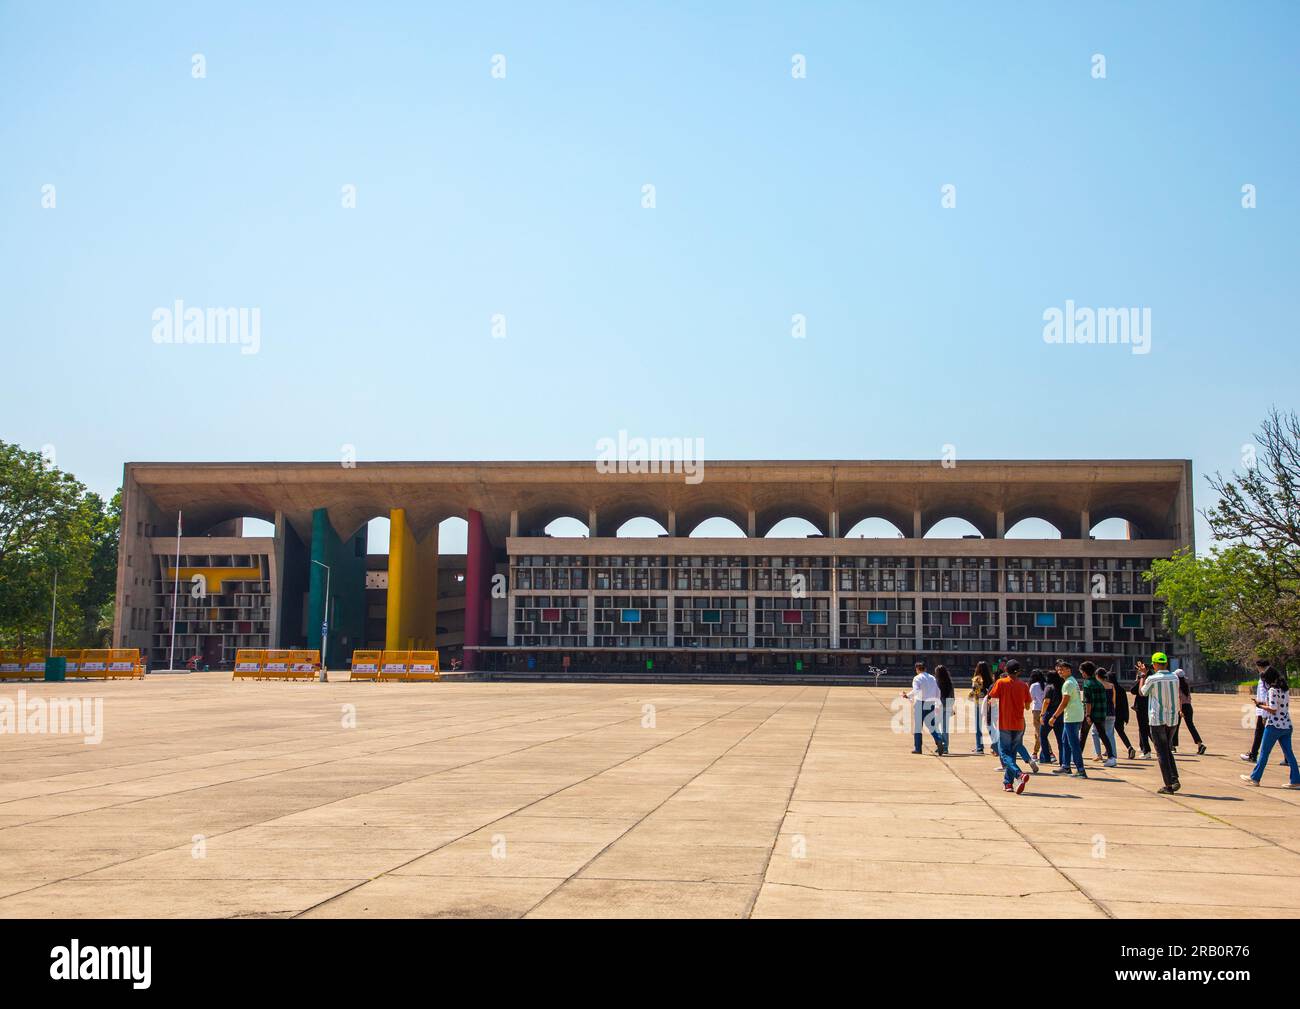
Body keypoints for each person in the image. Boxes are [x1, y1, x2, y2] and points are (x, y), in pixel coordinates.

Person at [1240, 667, 1300, 788]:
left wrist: (1260, 707)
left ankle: (1255, 778)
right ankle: (1296, 780)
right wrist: (1261, 703)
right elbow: (1278, 705)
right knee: (1289, 754)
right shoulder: (1285, 689)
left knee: (1264, 753)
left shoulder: (1272, 690)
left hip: (1274, 726)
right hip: (1286, 725)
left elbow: (1273, 709)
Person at [987, 659, 1033, 793]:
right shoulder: (1024, 685)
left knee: (1004, 753)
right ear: (1019, 672)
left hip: (1005, 723)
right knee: (1012, 754)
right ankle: (1008, 783)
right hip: (1019, 724)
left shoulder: (1001, 682)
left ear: (1006, 670)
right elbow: (1028, 706)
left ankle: (1019, 774)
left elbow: (992, 700)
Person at [1140, 651, 1182, 794]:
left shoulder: (1152, 679)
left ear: (1155, 664)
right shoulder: (1175, 677)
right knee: (1167, 749)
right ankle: (1174, 778)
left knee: (1161, 753)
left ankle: (1168, 785)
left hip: (1157, 719)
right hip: (1172, 720)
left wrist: (1142, 676)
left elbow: (1142, 692)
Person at [1048, 660, 1087, 778]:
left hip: (1072, 716)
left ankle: (1081, 770)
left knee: (1073, 743)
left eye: (1062, 669)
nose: (1060, 671)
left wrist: (1054, 716)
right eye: (1058, 669)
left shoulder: (1068, 683)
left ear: (1069, 670)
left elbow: (1064, 702)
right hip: (1072, 715)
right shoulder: (1071, 681)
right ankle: (1066, 766)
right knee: (1065, 740)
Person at [902, 661, 945, 755]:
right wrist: (937, 702)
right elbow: (938, 691)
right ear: (925, 669)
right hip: (931, 703)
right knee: (931, 725)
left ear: (917, 669)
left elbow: (916, 691)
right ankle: (939, 740)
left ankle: (918, 748)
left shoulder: (917, 678)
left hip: (920, 703)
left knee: (918, 727)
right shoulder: (932, 678)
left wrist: (908, 696)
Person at [1079, 661, 1117, 766]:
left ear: (1085, 672)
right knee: (1103, 735)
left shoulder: (1087, 684)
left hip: (1091, 714)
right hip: (1101, 714)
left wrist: (1087, 715)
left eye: (1082, 672)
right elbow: (1104, 700)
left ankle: (1077, 756)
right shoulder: (1099, 683)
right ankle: (1111, 757)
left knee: (1083, 735)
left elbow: (1088, 701)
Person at [1241, 658, 1272, 763]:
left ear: (1260, 667)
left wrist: (1263, 712)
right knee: (1276, 734)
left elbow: (1265, 695)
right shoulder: (1269, 676)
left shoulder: (1265, 677)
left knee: (1260, 733)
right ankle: (1253, 754)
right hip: (1265, 709)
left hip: (1265, 709)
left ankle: (1253, 754)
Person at [1171, 666, 1207, 755]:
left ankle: (1173, 746)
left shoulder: (1177, 685)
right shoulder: (1186, 684)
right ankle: (1200, 744)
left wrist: (1180, 710)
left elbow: (1179, 698)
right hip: (1189, 707)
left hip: (1181, 707)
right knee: (1191, 726)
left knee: (1175, 727)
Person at [1108, 668, 1136, 760]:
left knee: (1108, 732)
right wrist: (1126, 717)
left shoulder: (1109, 689)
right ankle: (1129, 747)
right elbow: (1125, 704)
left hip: (1111, 714)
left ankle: (1109, 749)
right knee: (1121, 732)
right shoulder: (1121, 689)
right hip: (1121, 715)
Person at [969, 661, 995, 755]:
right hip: (988, 703)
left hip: (978, 703)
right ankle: (995, 745)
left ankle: (979, 747)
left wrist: (970, 695)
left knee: (978, 726)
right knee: (990, 725)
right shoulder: (990, 679)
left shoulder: (976, 679)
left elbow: (975, 692)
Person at [1039, 670, 1063, 763]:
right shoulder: (1061, 687)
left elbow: (1046, 701)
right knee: (1060, 739)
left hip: (1049, 713)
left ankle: (1046, 757)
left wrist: (1042, 714)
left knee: (1043, 735)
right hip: (1059, 714)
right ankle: (1063, 760)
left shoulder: (1049, 687)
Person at [1131, 660, 1152, 758]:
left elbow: (1134, 690)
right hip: (1149, 706)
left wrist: (1140, 677)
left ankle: (1146, 751)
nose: (1139, 669)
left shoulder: (1146, 678)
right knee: (1148, 729)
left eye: (1141, 668)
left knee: (1144, 729)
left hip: (1142, 706)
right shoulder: (1151, 677)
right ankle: (1146, 747)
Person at [934, 664, 955, 754]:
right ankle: (945, 747)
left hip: (939, 706)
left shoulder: (936, 682)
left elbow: (935, 695)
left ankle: (940, 743)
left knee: (934, 726)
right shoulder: (949, 683)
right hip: (947, 706)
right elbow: (952, 697)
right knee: (945, 728)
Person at [1028, 670, 1047, 761]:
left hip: (1036, 710)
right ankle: (1043, 752)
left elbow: (1030, 698)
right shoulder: (1046, 684)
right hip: (1046, 710)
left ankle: (1037, 752)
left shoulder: (1034, 686)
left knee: (1038, 732)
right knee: (1042, 732)